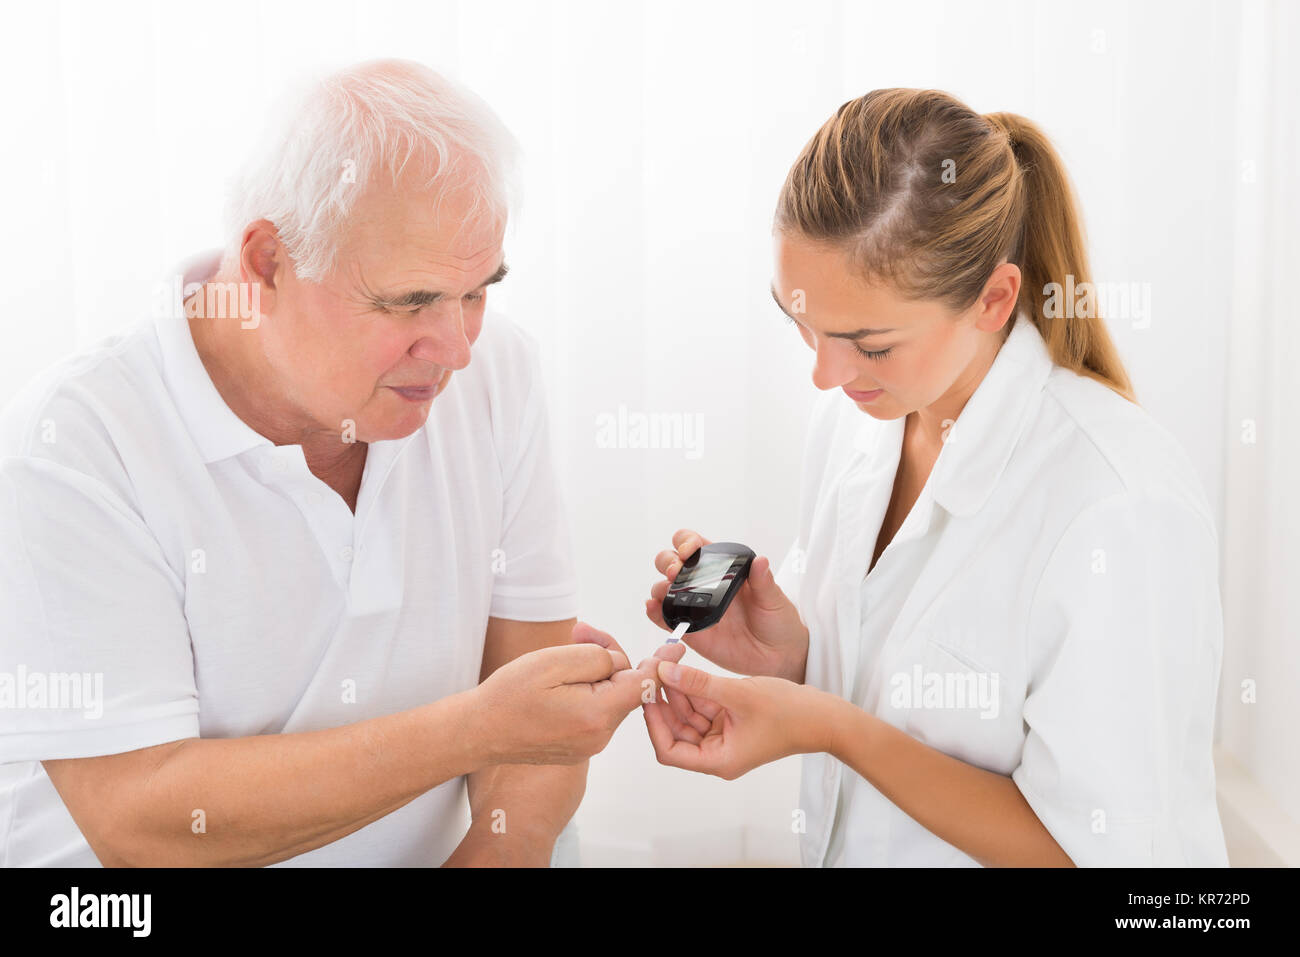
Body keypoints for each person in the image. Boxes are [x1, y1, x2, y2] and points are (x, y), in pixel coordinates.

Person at [0, 59, 663, 867]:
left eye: (479, 290)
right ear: (268, 263)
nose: (455, 347)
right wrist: (477, 724)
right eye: (409, 301)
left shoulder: (496, 373)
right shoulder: (76, 443)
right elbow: (144, 820)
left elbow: (534, 718)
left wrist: (497, 851)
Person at [640, 89, 1229, 867]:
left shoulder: (1118, 503)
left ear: (993, 299)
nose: (824, 374)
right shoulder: (860, 423)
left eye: (869, 344)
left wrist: (826, 725)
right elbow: (918, 699)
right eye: (802, 323)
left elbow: (1114, 864)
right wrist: (794, 668)